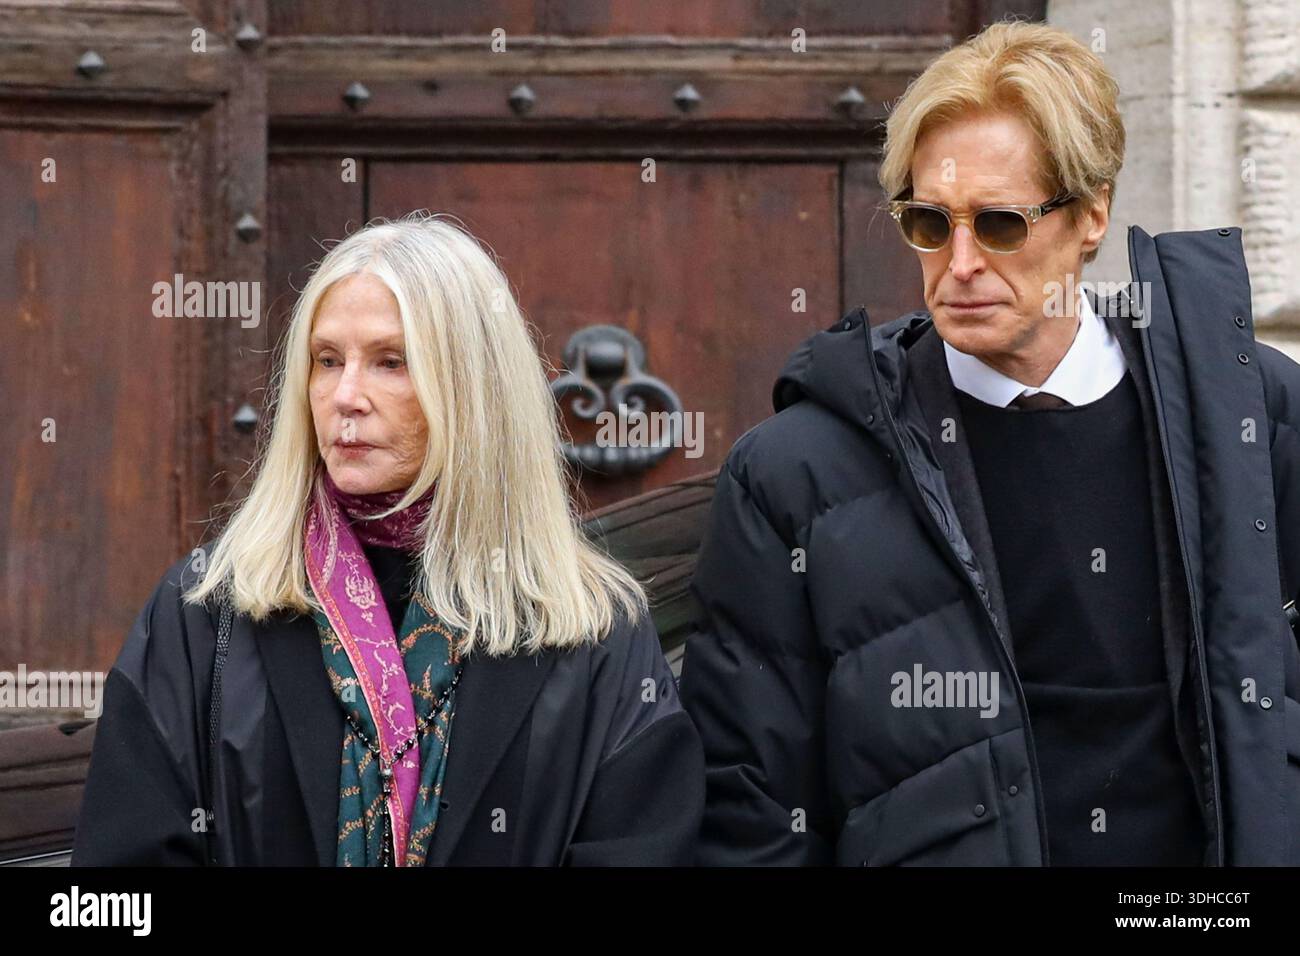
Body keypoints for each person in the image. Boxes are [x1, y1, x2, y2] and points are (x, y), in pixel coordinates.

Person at [680, 20, 1300, 866]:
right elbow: (752, 802)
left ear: (1091, 216)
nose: (960, 262)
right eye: (930, 224)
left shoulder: (1251, 415)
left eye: (999, 223)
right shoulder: (795, 472)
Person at [72, 214, 703, 866]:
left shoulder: (594, 631)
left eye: (390, 362)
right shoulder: (208, 610)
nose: (345, 395)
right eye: (326, 361)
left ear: (473, 389)